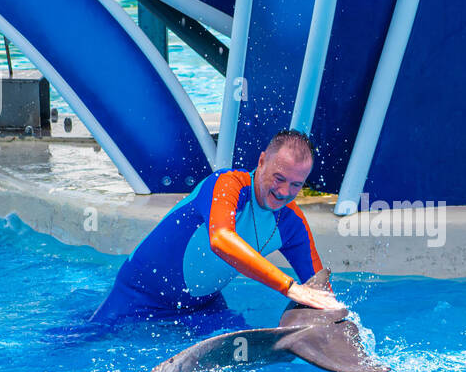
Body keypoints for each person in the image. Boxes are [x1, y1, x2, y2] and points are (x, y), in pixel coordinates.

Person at [91, 128, 341, 327]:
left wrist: (340, 323)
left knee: (243, 354)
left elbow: (319, 291)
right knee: (84, 341)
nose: (285, 192)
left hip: (203, 307)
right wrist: (289, 287)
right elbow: (221, 239)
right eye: (279, 178)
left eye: (296, 185)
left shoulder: (292, 223)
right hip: (137, 295)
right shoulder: (228, 184)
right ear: (262, 161)